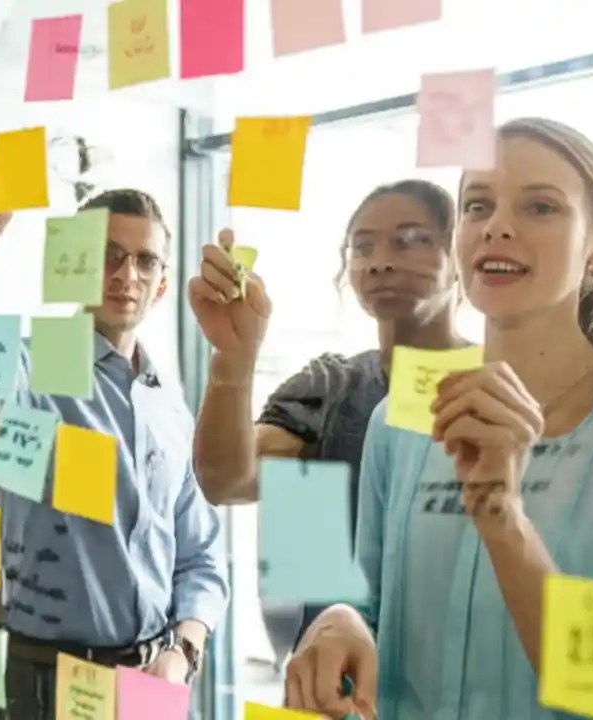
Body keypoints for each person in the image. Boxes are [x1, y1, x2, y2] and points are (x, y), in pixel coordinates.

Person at [279, 117, 593, 719]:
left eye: (540, 207)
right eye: (477, 206)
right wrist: (339, 619)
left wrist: (502, 515)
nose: (498, 227)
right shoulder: (398, 417)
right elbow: (370, 603)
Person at [0, 148, 229, 719]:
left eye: (144, 261)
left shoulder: (171, 407)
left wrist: (183, 650)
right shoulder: (27, 366)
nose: (125, 274)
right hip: (47, 683)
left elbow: (201, 555)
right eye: (106, 255)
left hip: (155, 681)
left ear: (160, 286)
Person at [188, 181, 469, 666]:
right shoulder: (334, 385)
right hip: (336, 677)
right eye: (362, 247)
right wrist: (234, 358)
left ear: (459, 254)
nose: (380, 261)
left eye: (411, 239)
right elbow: (227, 479)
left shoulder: (500, 384)